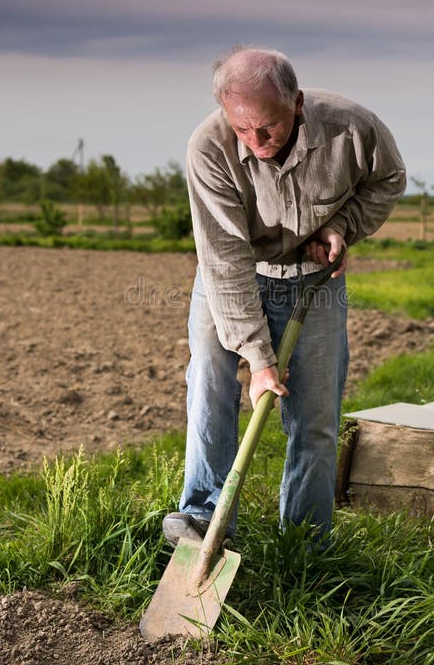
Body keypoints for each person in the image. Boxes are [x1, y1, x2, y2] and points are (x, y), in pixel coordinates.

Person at [162, 46, 406, 546]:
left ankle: (304, 542)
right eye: (242, 130)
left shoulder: (352, 129)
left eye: (267, 128)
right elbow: (225, 260)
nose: (256, 142)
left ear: (296, 103)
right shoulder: (208, 148)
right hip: (232, 276)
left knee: (316, 413)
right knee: (210, 384)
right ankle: (204, 519)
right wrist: (257, 358)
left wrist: (343, 226)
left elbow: (388, 181)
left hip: (312, 279)